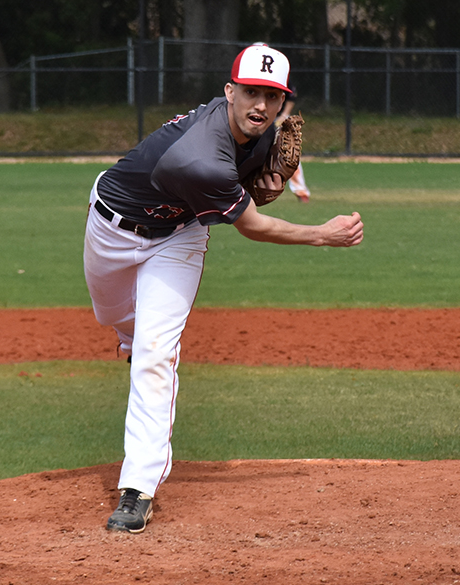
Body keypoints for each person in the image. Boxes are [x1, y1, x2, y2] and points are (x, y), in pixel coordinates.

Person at [83, 43, 363, 534]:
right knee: (112, 317)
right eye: (251, 92)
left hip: (180, 235)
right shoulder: (199, 157)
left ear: (282, 102)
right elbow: (253, 225)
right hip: (111, 227)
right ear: (229, 91)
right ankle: (130, 336)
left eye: (272, 96)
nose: (261, 105)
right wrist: (323, 233)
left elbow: (251, 179)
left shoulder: (263, 132)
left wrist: (264, 177)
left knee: (155, 353)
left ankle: (137, 491)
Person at [277, 84, 311, 203]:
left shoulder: (282, 73)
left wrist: (284, 115)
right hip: (258, 118)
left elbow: (291, 97)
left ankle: (300, 191)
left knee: (291, 154)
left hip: (279, 119)